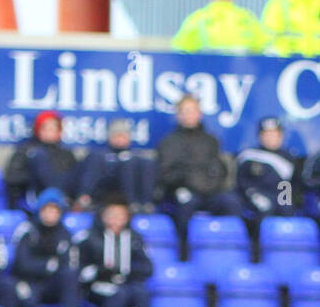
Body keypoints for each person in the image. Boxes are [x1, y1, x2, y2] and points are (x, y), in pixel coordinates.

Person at [154, 94, 239, 245]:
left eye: (192, 110)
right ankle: (183, 251)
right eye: (184, 111)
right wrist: (188, 181)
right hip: (182, 190)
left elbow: (219, 169)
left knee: (231, 202)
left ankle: (227, 247)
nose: (189, 115)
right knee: (186, 203)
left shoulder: (211, 140)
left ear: (199, 113)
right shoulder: (169, 142)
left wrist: (211, 185)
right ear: (178, 115)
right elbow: (165, 174)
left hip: (210, 191)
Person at [75, 195, 153, 307]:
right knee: (118, 294)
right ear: (103, 216)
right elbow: (78, 268)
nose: (116, 220)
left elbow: (147, 268)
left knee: (140, 294)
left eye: (121, 215)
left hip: (128, 283)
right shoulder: (89, 238)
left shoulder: (135, 239)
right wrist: (99, 271)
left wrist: (128, 273)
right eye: (112, 215)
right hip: (97, 285)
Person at [10, 188, 78, 307]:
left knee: (70, 279)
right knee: (28, 299)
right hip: (29, 281)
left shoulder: (65, 234)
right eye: (46, 210)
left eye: (54, 210)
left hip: (53, 283)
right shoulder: (27, 231)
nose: (50, 214)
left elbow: (69, 264)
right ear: (39, 211)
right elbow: (21, 264)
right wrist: (47, 265)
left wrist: (49, 267)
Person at [235, 116, 303, 234]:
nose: (271, 138)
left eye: (275, 134)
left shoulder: (290, 158)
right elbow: (242, 182)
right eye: (267, 134)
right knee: (264, 209)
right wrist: (253, 195)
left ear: (281, 136)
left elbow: (294, 185)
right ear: (260, 136)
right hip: (257, 198)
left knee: (287, 210)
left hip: (281, 197)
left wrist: (289, 201)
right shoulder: (249, 155)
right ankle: (257, 250)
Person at [172, 0, 267, 54]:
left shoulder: (198, 17)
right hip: (241, 71)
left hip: (208, 70)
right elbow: (263, 46)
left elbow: (180, 48)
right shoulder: (247, 17)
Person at [4, 111, 79, 214]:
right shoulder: (26, 151)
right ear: (37, 130)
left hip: (62, 200)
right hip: (33, 201)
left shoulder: (67, 154)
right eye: (45, 128)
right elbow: (12, 178)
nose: (49, 132)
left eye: (53, 129)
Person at [76, 119, 157, 212]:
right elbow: (90, 176)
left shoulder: (138, 158)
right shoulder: (98, 156)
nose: (120, 139)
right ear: (110, 137)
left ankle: (143, 204)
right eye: (116, 136)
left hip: (131, 197)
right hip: (104, 195)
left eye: (123, 136)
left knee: (138, 163)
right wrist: (85, 194)